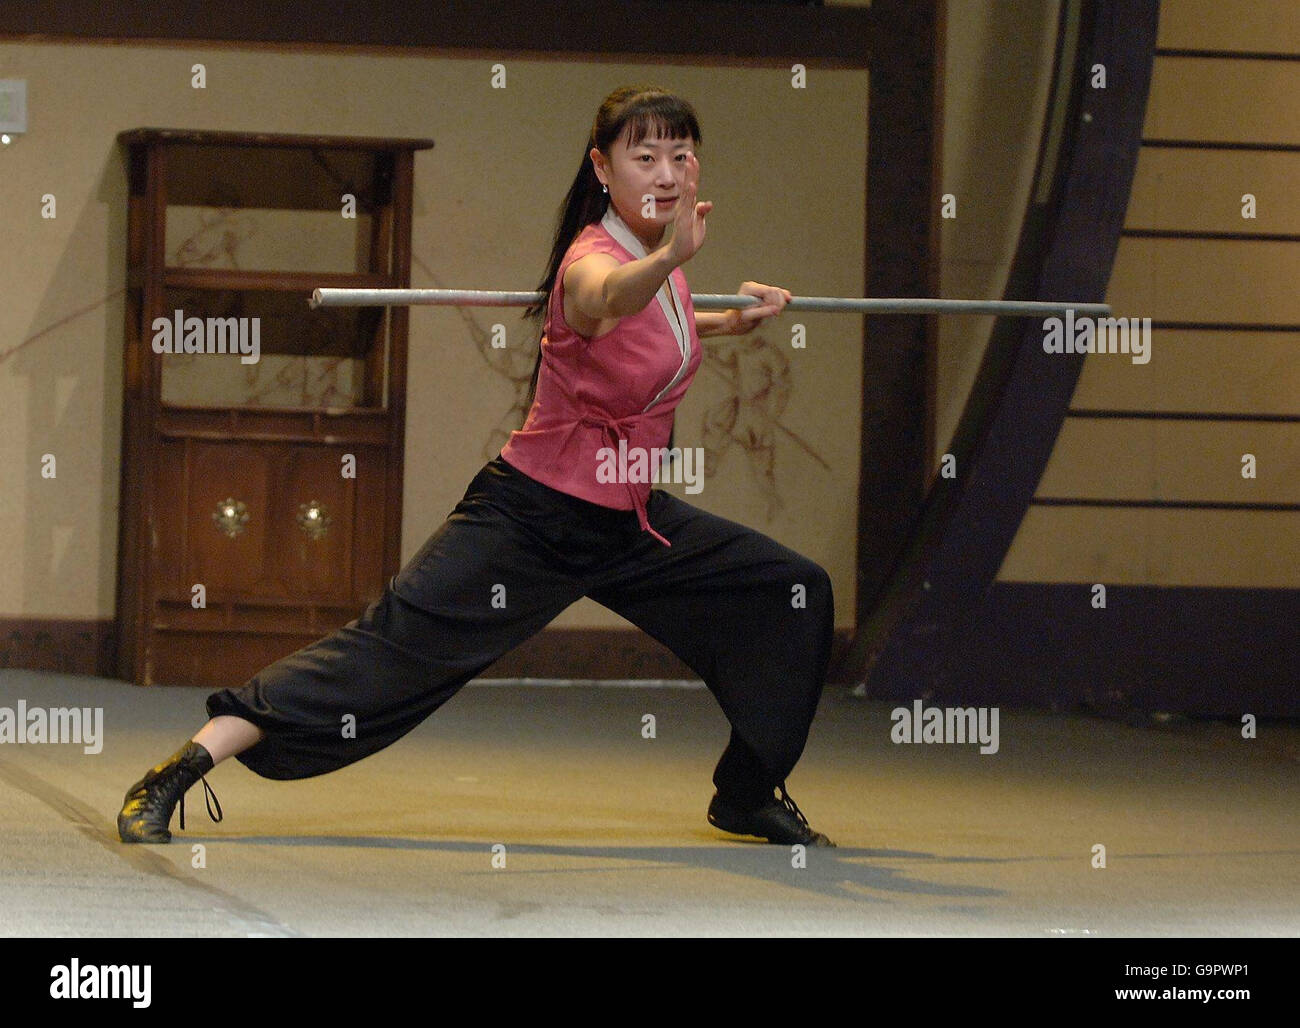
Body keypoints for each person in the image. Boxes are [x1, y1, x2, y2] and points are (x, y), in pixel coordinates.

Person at [118, 85, 836, 848]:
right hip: (532, 517)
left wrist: (729, 321)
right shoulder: (596, 258)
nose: (666, 173)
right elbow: (604, 303)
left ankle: (746, 793)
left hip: (628, 524)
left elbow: (651, 328)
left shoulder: (656, 261)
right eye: (645, 156)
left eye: (681, 156)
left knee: (790, 593)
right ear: (603, 168)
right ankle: (181, 768)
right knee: (387, 650)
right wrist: (669, 257)